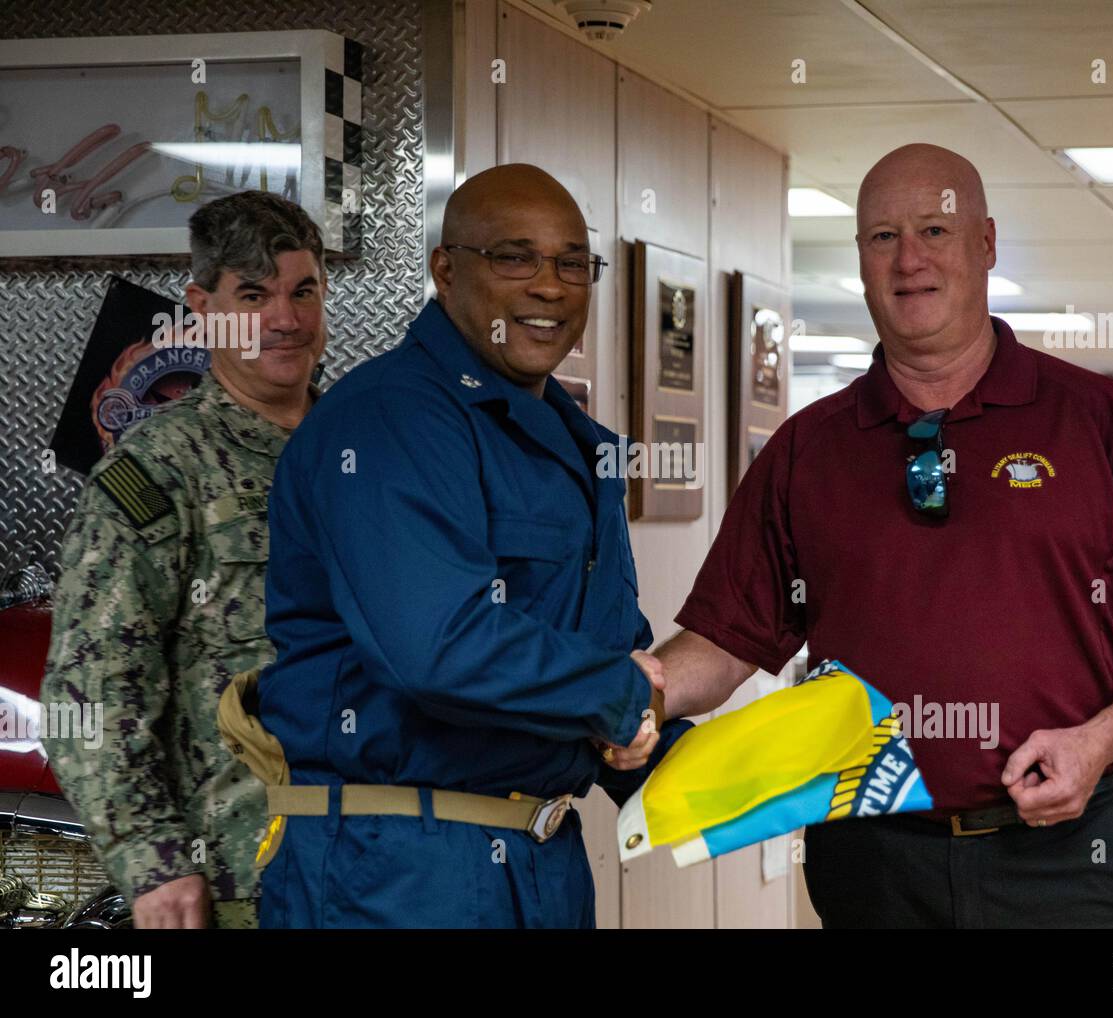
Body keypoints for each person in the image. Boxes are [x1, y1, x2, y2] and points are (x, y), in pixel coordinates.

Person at [653, 143, 1113, 929]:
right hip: (871, 864)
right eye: (883, 237)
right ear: (860, 258)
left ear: (986, 245)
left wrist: (1102, 738)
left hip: (1065, 858)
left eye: (935, 229)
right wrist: (640, 692)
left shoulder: (1098, 421)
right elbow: (725, 641)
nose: (909, 260)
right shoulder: (806, 450)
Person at [253, 163, 685, 929]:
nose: (550, 286)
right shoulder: (391, 420)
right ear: (444, 270)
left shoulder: (572, 446)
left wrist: (696, 754)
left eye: (573, 263)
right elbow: (438, 646)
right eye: (514, 257)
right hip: (398, 871)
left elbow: (607, 650)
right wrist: (621, 698)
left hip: (540, 856)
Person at [41, 191, 327, 929]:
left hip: (373, 869)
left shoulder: (368, 451)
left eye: (303, 291)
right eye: (254, 295)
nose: (286, 320)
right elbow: (87, 690)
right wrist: (151, 860)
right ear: (202, 308)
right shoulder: (160, 471)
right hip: (240, 884)